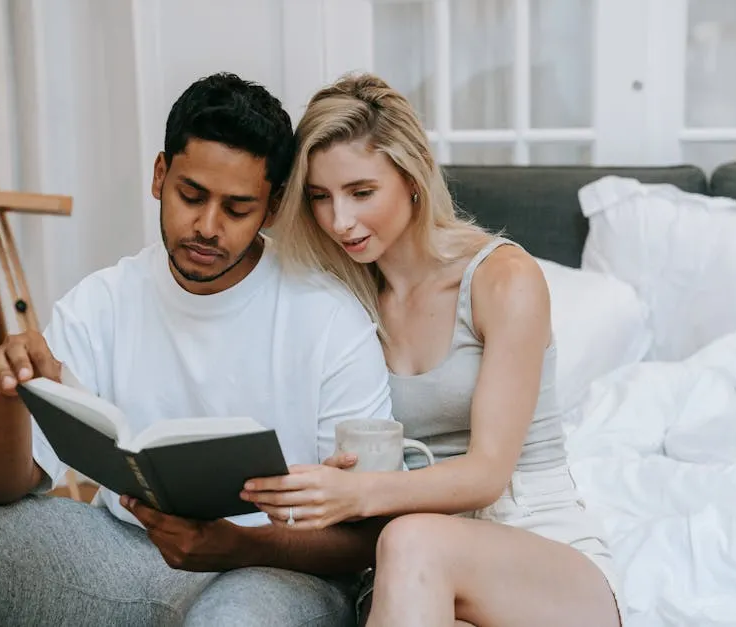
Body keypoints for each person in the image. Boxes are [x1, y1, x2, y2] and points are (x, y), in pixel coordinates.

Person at [0, 72, 394, 627]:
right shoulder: (105, 300)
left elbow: (364, 540)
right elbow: (0, 489)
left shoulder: (330, 319)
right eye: (191, 196)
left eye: (236, 209)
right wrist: (8, 398)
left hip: (277, 571)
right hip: (124, 553)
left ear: (274, 206)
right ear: (160, 175)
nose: (207, 227)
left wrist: (239, 545)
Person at [242, 73, 626, 626]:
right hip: (409, 575)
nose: (339, 221)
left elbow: (488, 473)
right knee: (406, 547)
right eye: (321, 198)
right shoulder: (343, 296)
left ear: (413, 176)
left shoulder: (504, 279)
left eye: (361, 192)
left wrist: (357, 494)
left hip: (536, 548)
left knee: (411, 539)